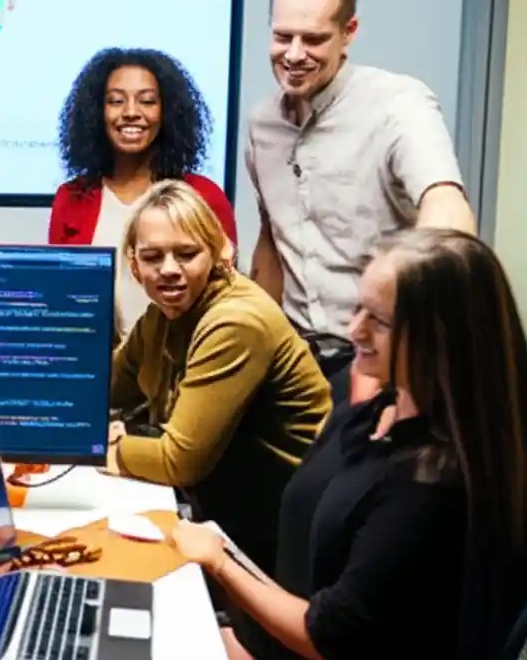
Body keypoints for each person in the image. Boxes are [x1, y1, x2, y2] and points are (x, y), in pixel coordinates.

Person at [173, 228, 527, 660]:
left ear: (438, 339)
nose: (353, 330)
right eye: (359, 307)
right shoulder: (374, 411)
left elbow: (329, 637)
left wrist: (221, 564)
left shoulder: (430, 486)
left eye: (377, 321)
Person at [246, 0, 477, 409]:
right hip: (293, 356)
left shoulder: (399, 105)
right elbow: (272, 241)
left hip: (379, 359)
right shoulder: (261, 124)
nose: (293, 54)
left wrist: (405, 364)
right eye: (282, 36)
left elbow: (447, 212)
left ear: (348, 33)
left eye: (312, 39)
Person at [108, 181, 330, 575]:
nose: (170, 270)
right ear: (134, 263)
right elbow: (105, 387)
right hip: (231, 502)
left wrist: (108, 448)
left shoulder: (235, 321)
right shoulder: (161, 317)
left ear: (217, 252)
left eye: (187, 253)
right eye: (153, 256)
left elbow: (179, 462)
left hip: (285, 525)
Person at [50, 47, 238, 339]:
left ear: (167, 112)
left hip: (185, 364)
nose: (131, 113)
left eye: (147, 101)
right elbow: (62, 301)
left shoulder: (203, 195)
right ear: (97, 112)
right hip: (102, 368)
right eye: (115, 101)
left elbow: (228, 297)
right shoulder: (71, 198)